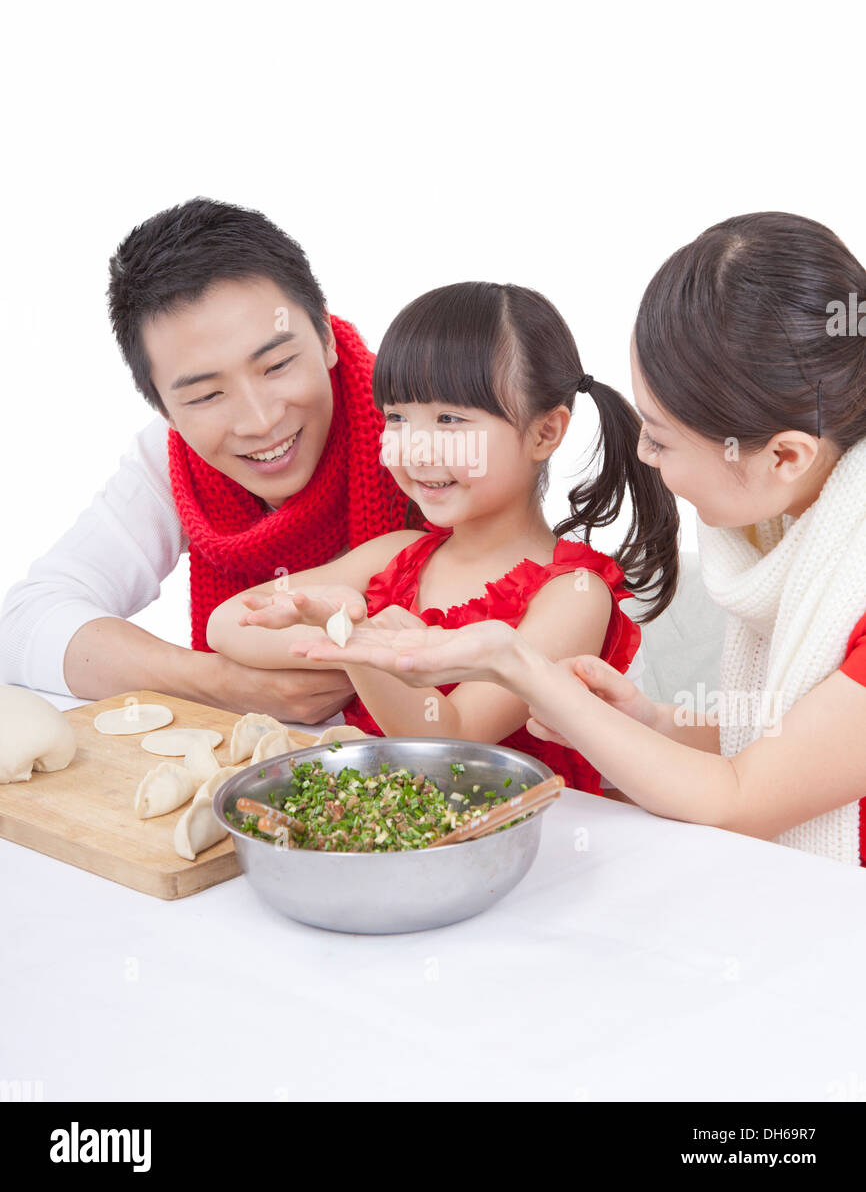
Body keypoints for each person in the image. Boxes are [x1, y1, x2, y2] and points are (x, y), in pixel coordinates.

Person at [282, 213, 866, 865]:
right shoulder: (803, 542)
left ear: (784, 457)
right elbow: (781, 744)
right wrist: (651, 721)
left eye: (663, 437)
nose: (642, 452)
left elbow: (741, 799)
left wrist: (521, 666)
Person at [207, 281, 680, 791]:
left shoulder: (571, 596)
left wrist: (355, 643)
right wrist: (337, 634)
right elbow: (229, 621)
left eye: (450, 419)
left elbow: (450, 741)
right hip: (388, 825)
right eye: (397, 418)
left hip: (519, 843)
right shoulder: (396, 555)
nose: (415, 449)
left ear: (544, 433)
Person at [0, 198, 415, 720]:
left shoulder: (422, 429)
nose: (260, 420)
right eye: (204, 396)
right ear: (163, 409)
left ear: (327, 336)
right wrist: (219, 683)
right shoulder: (175, 462)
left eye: (277, 364)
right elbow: (24, 625)